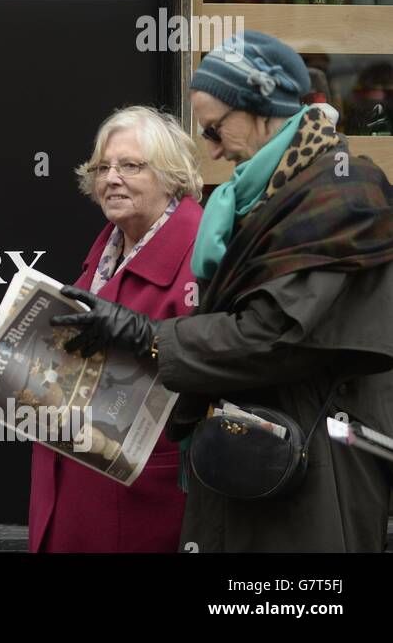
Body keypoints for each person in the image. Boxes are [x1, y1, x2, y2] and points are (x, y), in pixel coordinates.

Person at [52, 31, 393, 551]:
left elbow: (271, 336)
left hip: (314, 466)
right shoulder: (269, 194)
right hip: (256, 454)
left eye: (215, 128)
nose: (210, 148)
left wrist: (145, 336)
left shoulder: (341, 195)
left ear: (261, 110)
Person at [29, 106, 203, 552]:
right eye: (102, 167)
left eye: (130, 166)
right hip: (75, 493)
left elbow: (214, 360)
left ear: (171, 175)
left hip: (142, 501)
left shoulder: (201, 254)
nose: (111, 179)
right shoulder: (107, 249)